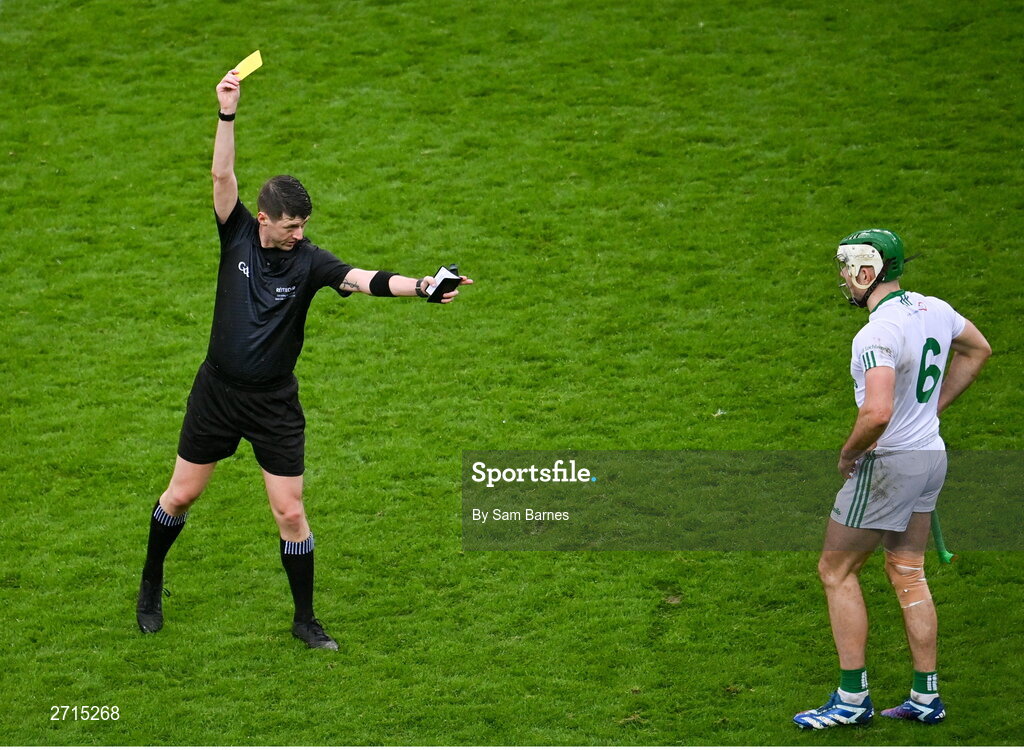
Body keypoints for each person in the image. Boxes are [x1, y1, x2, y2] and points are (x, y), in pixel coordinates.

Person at [136, 69, 473, 650]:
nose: (298, 235)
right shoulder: (237, 234)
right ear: (264, 219)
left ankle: (304, 619)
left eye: (304, 227)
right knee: (181, 496)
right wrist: (227, 111)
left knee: (290, 513)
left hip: (272, 404)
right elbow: (221, 174)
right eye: (291, 226)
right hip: (216, 394)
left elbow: (364, 279)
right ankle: (150, 582)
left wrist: (421, 285)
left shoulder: (310, 261)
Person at [793, 229, 991, 729]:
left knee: (835, 571)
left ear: (867, 271)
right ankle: (926, 697)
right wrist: (932, 409)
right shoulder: (935, 309)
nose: (843, 276)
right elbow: (978, 350)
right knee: (908, 571)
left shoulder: (875, 334)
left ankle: (851, 700)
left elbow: (878, 412)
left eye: (847, 267)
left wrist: (848, 453)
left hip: (890, 466)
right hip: (929, 456)